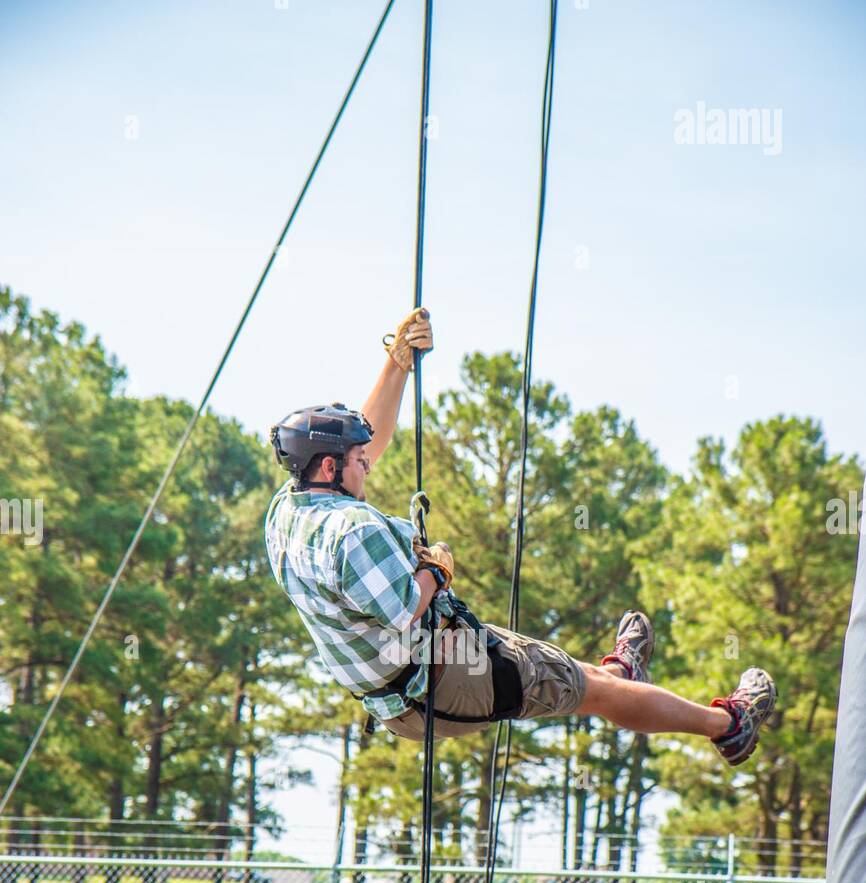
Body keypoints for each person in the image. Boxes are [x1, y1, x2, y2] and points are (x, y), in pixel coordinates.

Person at [265, 307, 777, 763]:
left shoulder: (287, 514)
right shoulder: (353, 532)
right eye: (357, 462)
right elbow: (403, 608)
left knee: (587, 681)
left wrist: (397, 364)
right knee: (592, 692)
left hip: (414, 682)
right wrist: (434, 569)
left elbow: (369, 442)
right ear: (329, 467)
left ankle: (623, 674)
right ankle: (729, 726)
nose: (368, 468)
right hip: (442, 681)